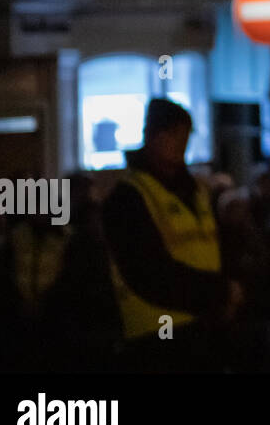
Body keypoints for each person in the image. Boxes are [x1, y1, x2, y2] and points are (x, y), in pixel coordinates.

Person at [102, 99, 242, 372]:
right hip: (155, 341)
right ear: (151, 137)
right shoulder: (128, 197)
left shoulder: (197, 193)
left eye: (184, 135)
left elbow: (218, 249)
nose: (180, 143)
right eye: (170, 134)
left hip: (203, 330)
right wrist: (219, 292)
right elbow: (150, 272)